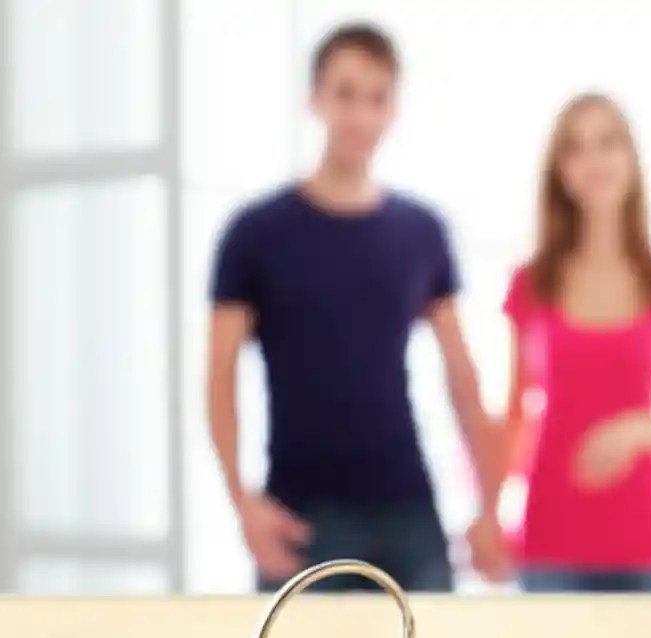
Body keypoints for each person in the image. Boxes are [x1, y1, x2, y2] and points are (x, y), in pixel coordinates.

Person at [206, 23, 499, 593]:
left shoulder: (422, 232)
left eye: (377, 97)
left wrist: (490, 505)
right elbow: (219, 376)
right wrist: (242, 503)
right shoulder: (256, 234)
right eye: (345, 94)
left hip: (411, 511)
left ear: (394, 108)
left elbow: (462, 377)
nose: (360, 115)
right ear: (315, 99)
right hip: (302, 517)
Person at [466, 93, 651, 593]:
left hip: (648, 541)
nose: (594, 160)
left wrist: (641, 430)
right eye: (575, 148)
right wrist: (488, 513)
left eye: (608, 143)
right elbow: (516, 416)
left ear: (632, 159)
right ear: (560, 172)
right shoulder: (531, 285)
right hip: (551, 536)